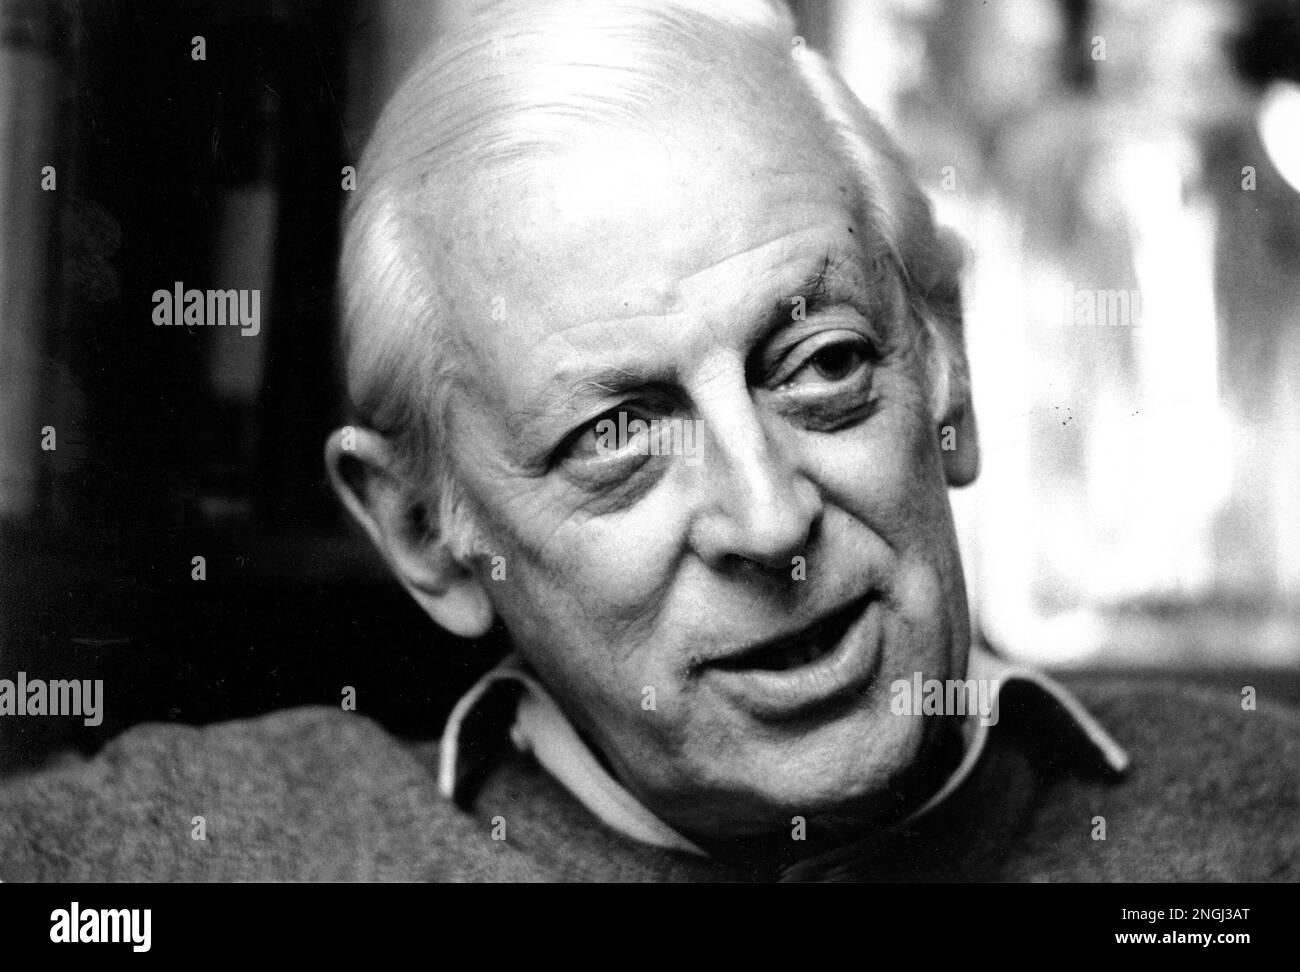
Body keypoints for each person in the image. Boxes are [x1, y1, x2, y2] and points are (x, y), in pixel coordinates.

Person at [1, 0, 1296, 882]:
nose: (771, 518)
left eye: (825, 368)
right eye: (617, 429)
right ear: (422, 535)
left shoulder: (1263, 816)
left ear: (946, 372)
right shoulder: (177, 857)